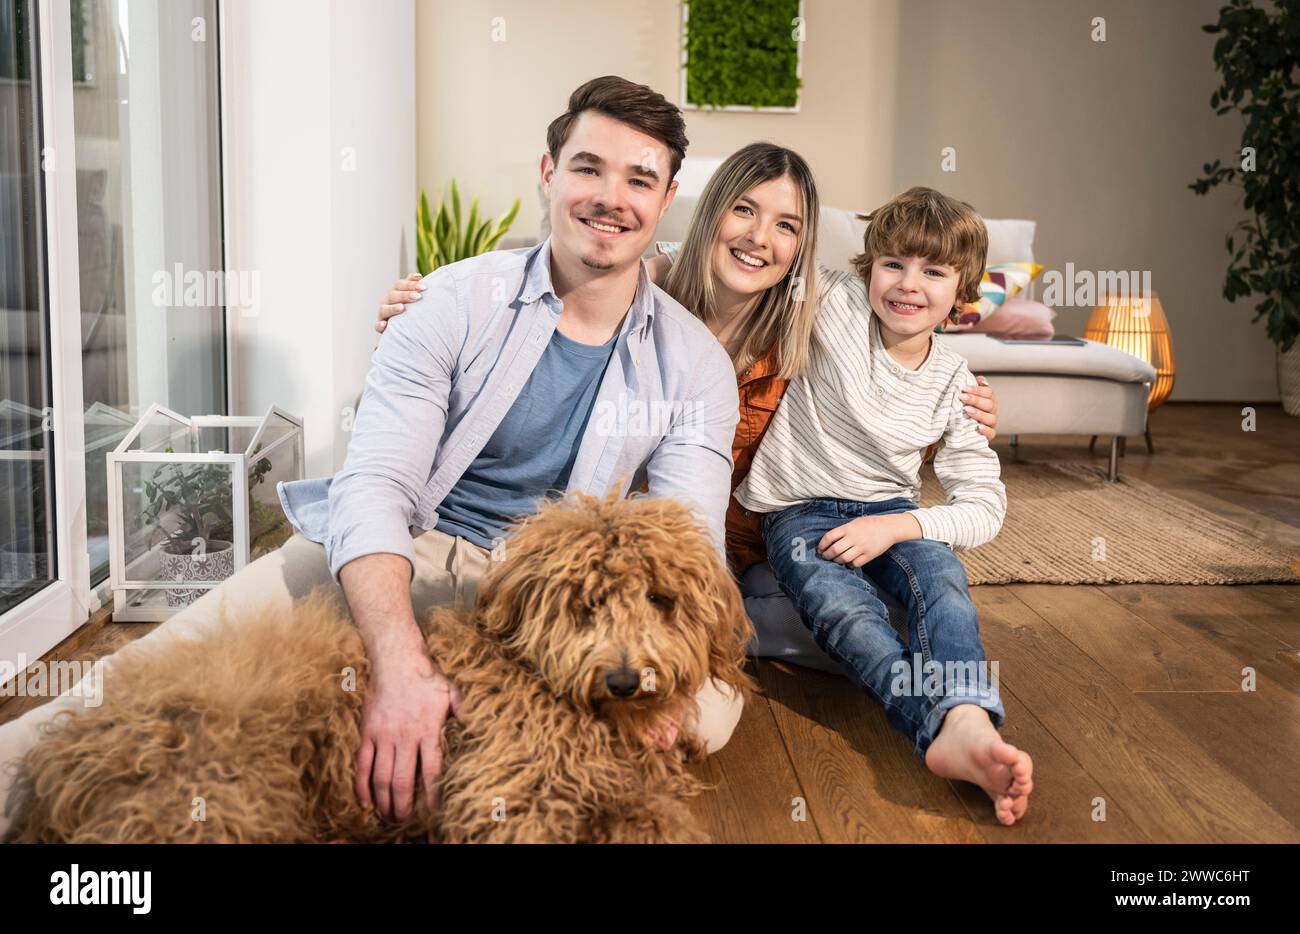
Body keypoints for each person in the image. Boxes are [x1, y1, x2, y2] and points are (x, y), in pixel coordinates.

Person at [378, 143, 1001, 671]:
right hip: (617, 523)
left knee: (881, 610)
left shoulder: (804, 320)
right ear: (712, 212)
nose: (760, 238)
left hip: (738, 535)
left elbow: (907, 326)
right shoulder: (638, 286)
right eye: (744, 210)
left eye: (786, 225)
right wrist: (427, 297)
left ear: (800, 247)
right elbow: (547, 278)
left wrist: (964, 399)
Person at [737, 186, 1033, 825]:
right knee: (845, 608)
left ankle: (967, 717)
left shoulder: (957, 384)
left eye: (933, 272)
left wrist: (898, 525)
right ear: (869, 269)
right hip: (799, 508)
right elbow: (754, 256)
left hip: (893, 512)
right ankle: (944, 728)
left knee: (942, 578)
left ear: (962, 294)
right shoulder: (836, 303)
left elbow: (984, 504)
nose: (907, 284)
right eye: (893, 264)